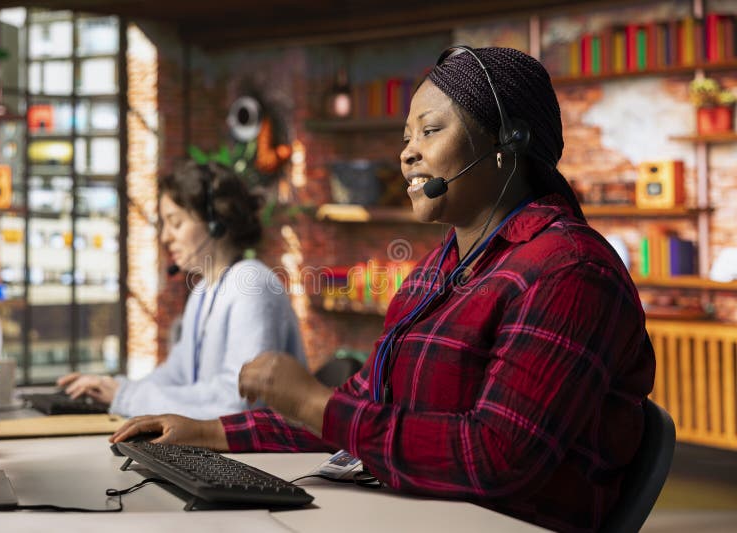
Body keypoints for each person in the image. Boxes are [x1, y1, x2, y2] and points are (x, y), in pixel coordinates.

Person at [111, 47, 655, 532]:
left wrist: (314, 403)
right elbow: (366, 403)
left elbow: (495, 457)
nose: (407, 154)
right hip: (418, 514)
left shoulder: (569, 271)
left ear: (507, 141)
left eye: (430, 131)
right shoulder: (438, 269)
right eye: (406, 138)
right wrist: (209, 433)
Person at [60, 161, 306, 419]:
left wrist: (127, 397)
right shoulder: (203, 292)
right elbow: (177, 375)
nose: (165, 237)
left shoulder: (251, 285)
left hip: (269, 445)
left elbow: (239, 402)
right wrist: (113, 388)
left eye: (176, 223)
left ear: (216, 223)